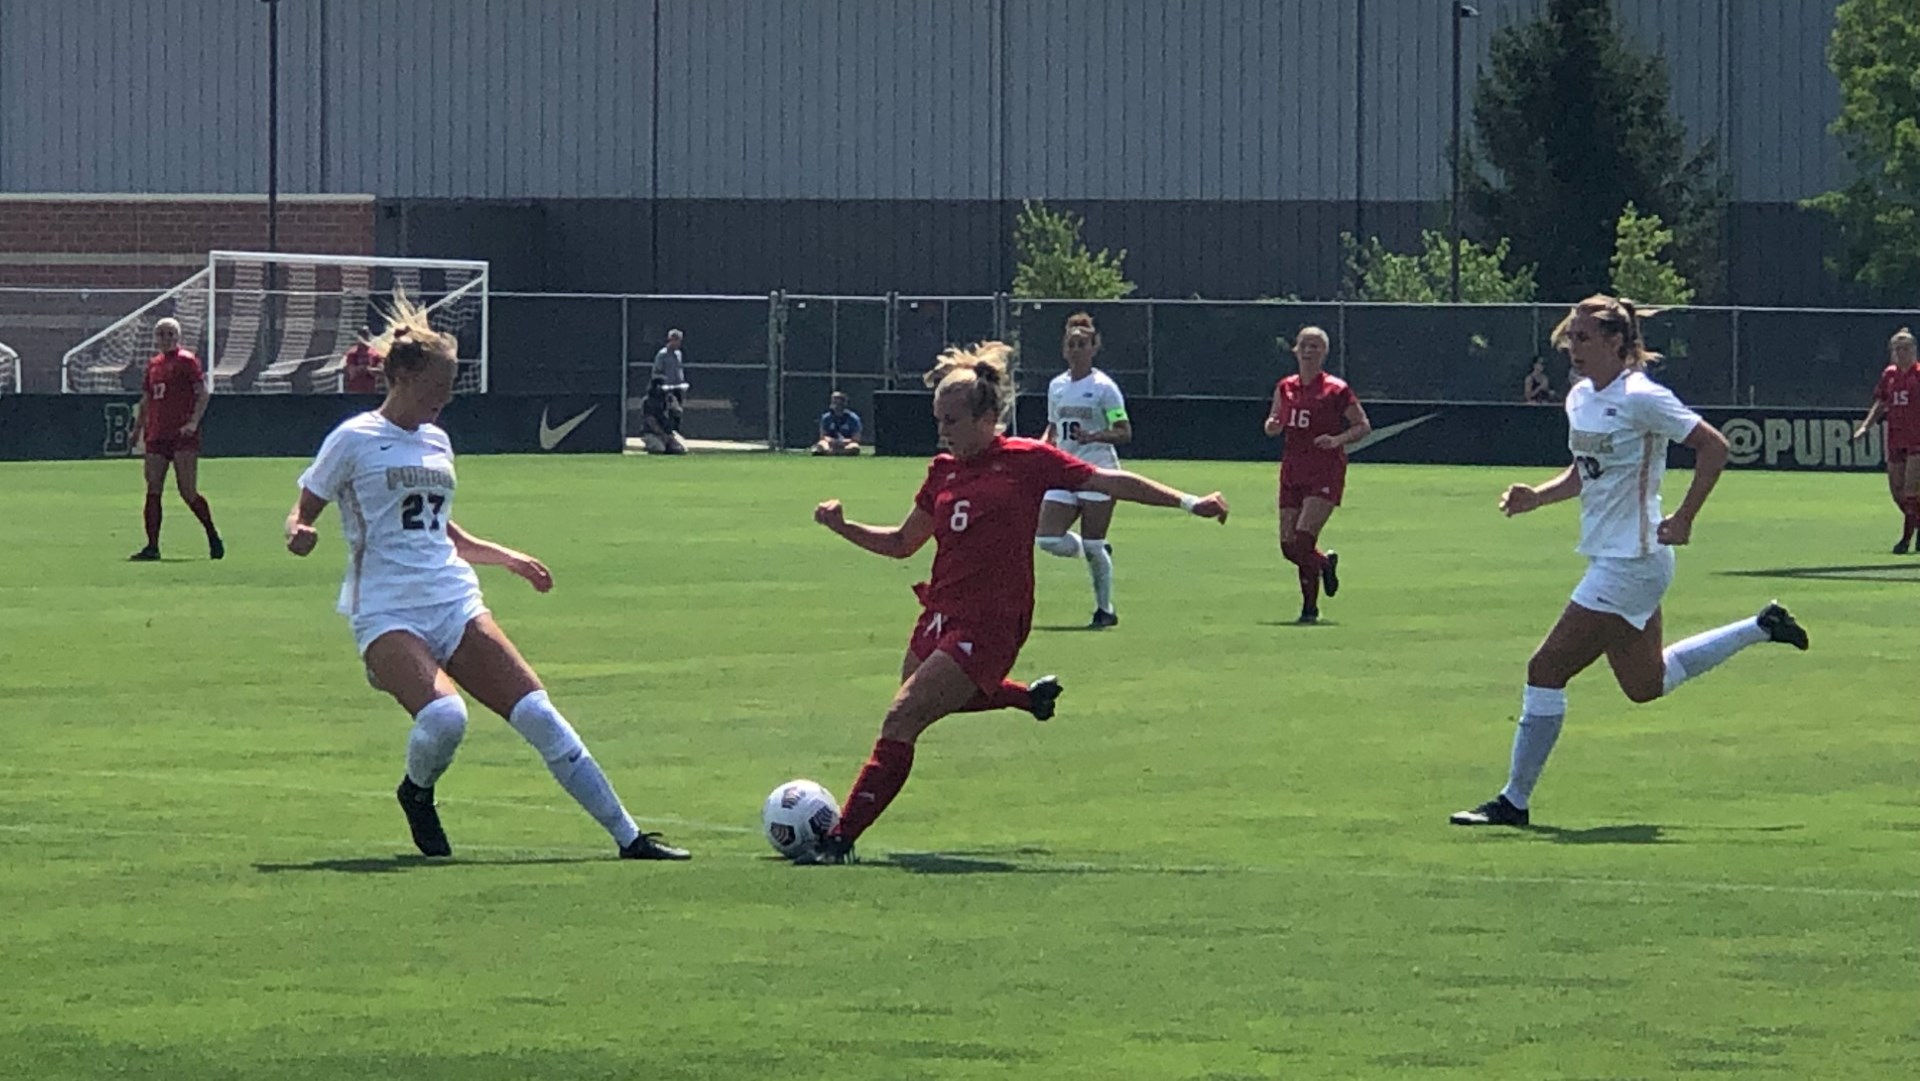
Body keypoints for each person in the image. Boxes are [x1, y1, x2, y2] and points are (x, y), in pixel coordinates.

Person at [283, 292, 690, 861]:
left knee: (539, 714)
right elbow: (304, 508)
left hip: (452, 599)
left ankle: (630, 837)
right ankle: (417, 792)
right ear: (400, 378)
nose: (442, 404)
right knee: (446, 718)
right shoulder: (353, 440)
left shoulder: (436, 439)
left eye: (448, 392)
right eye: (434, 391)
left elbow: (442, 530)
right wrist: (300, 530)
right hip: (387, 609)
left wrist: (508, 558)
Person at [804, 342, 1229, 864]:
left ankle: (839, 840)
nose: (943, 431)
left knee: (901, 719)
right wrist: (842, 527)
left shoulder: (1026, 461)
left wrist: (1190, 502)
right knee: (934, 701)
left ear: (988, 417)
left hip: (992, 620)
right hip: (939, 613)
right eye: (938, 420)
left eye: (953, 420)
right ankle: (1027, 698)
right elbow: (901, 544)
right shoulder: (942, 470)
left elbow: (1107, 480)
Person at [1450, 295, 1810, 828]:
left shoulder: (1642, 396)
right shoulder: (1579, 398)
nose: (1573, 347)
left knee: (1544, 669)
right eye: (1571, 337)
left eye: (1585, 337)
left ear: (1617, 342)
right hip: (1620, 558)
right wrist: (1536, 497)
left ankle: (1514, 801)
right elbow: (1582, 474)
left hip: (1632, 561)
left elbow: (1714, 447)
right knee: (1646, 685)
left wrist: (1686, 517)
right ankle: (1760, 627)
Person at [1263, 326, 1370, 623]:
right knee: (1288, 545)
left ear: (1324, 353)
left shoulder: (1336, 389)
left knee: (1302, 539)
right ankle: (1324, 564)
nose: (1309, 351)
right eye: (1304, 346)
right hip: (1292, 469)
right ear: (1295, 350)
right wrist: (1272, 425)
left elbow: (1362, 425)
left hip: (1324, 470)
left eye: (1315, 347)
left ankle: (1309, 609)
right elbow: (1274, 419)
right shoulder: (1285, 386)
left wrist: (1336, 440)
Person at [1037, 312, 1131, 628]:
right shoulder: (1057, 386)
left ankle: (1105, 610)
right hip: (1065, 469)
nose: (1076, 349)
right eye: (1071, 344)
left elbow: (1123, 430)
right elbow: (1053, 427)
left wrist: (1094, 436)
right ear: (1064, 349)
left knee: (1092, 545)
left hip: (1097, 469)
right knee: (1047, 539)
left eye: (1082, 344)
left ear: (1094, 347)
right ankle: (1099, 550)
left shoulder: (1104, 388)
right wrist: (1042, 449)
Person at [129, 317, 223, 561]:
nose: (166, 338)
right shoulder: (153, 365)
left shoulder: (187, 361)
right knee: (153, 488)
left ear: (178, 337)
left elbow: (203, 393)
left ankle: (212, 534)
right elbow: (147, 399)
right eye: (162, 334)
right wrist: (138, 428)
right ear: (156, 338)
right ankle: (152, 546)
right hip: (157, 434)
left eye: (170, 334)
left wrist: (192, 422)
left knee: (187, 490)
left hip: (182, 435)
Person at [1852, 327, 1920, 553]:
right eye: (1897, 349)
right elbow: (1881, 403)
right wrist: (1865, 427)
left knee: (1911, 490)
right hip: (1895, 439)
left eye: (1905, 348)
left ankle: (1906, 539)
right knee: (1897, 492)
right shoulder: (1889, 375)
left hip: (1917, 441)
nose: (1901, 353)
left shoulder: (1918, 374)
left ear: (1914, 350)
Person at [639, 376, 688, 455]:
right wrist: (663, 435)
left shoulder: (669, 399)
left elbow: (678, 415)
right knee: (659, 449)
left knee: (681, 449)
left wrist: (675, 408)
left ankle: (669, 447)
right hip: (652, 433)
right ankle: (650, 447)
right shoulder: (648, 401)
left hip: (668, 433)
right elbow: (651, 421)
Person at [812, 390, 863, 456]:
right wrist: (833, 441)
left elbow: (856, 438)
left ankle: (830, 453)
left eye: (838, 401)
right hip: (831, 443)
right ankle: (837, 453)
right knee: (821, 444)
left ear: (844, 403)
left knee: (854, 447)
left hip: (846, 444)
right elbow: (823, 436)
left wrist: (842, 442)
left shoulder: (853, 418)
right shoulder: (826, 417)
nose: (835, 404)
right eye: (833, 401)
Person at [652, 329, 688, 406]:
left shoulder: (678, 354)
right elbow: (657, 371)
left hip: (677, 389)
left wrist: (682, 383)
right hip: (665, 390)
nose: (679, 343)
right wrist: (663, 383)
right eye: (677, 340)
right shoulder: (662, 354)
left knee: (677, 412)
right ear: (671, 340)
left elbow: (679, 370)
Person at [342, 327, 383, 394]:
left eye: (365, 336)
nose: (364, 339)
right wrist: (365, 369)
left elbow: (379, 371)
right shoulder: (353, 352)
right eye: (362, 336)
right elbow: (352, 372)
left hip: (371, 391)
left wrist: (372, 371)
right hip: (355, 390)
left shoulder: (374, 353)